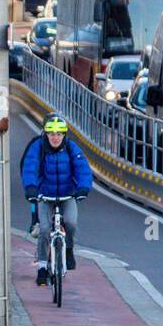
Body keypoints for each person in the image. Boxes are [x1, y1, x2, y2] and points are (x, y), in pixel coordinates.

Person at [21, 114, 93, 286]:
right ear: (46, 134)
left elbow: (83, 169)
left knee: (71, 223)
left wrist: (83, 188)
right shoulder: (37, 147)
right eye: (51, 134)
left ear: (64, 135)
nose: (55, 137)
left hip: (67, 195)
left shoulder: (71, 147)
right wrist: (30, 188)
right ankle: (42, 267)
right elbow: (29, 167)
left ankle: (68, 250)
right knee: (45, 230)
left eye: (59, 134)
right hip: (45, 196)